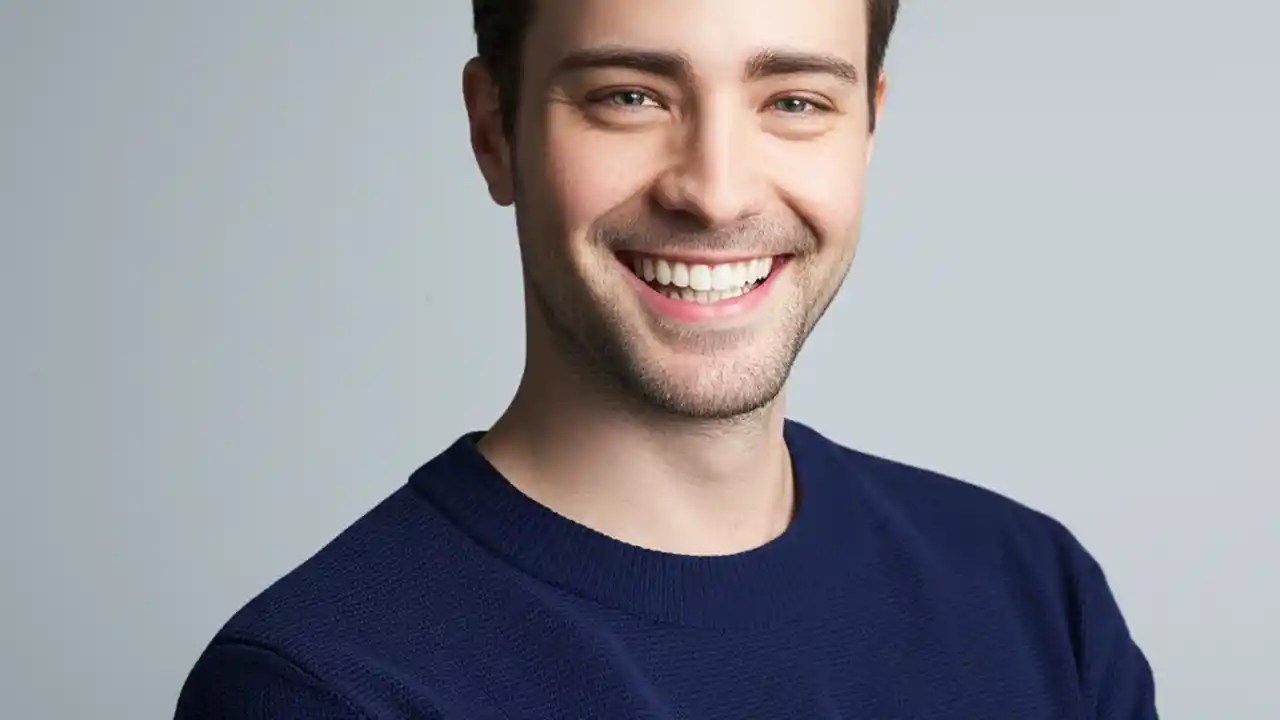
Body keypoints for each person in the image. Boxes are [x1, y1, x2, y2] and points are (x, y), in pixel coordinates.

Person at [175, 0, 1159, 717]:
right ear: (493, 133)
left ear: (867, 127)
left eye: (795, 101)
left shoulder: (1032, 592)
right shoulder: (325, 686)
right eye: (630, 95)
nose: (717, 191)